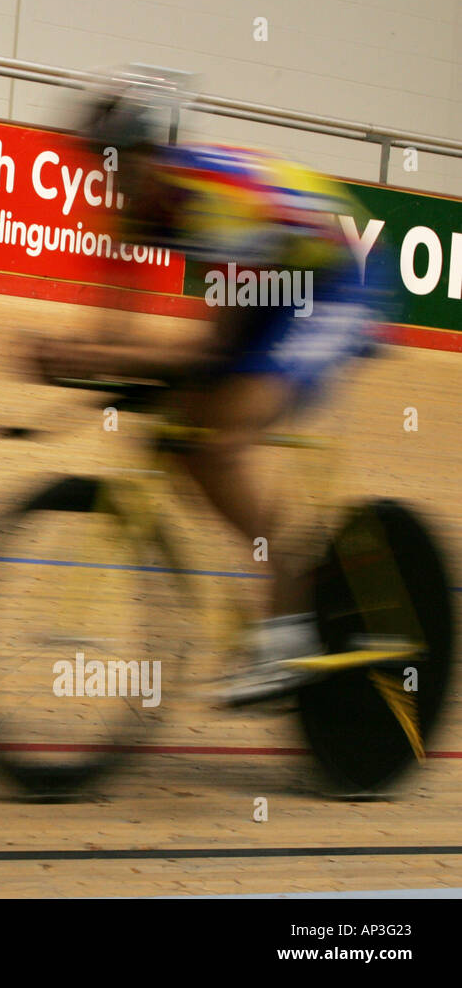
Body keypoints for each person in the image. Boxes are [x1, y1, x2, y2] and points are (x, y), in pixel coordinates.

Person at [24, 71, 385, 705]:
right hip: (273, 286)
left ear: (153, 152)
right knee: (182, 440)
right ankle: (276, 581)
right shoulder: (130, 215)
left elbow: (216, 346)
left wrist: (94, 358)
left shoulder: (211, 196)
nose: (108, 179)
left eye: (119, 162)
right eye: (99, 164)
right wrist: (73, 359)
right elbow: (113, 338)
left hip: (335, 282)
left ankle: (287, 614)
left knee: (221, 435)